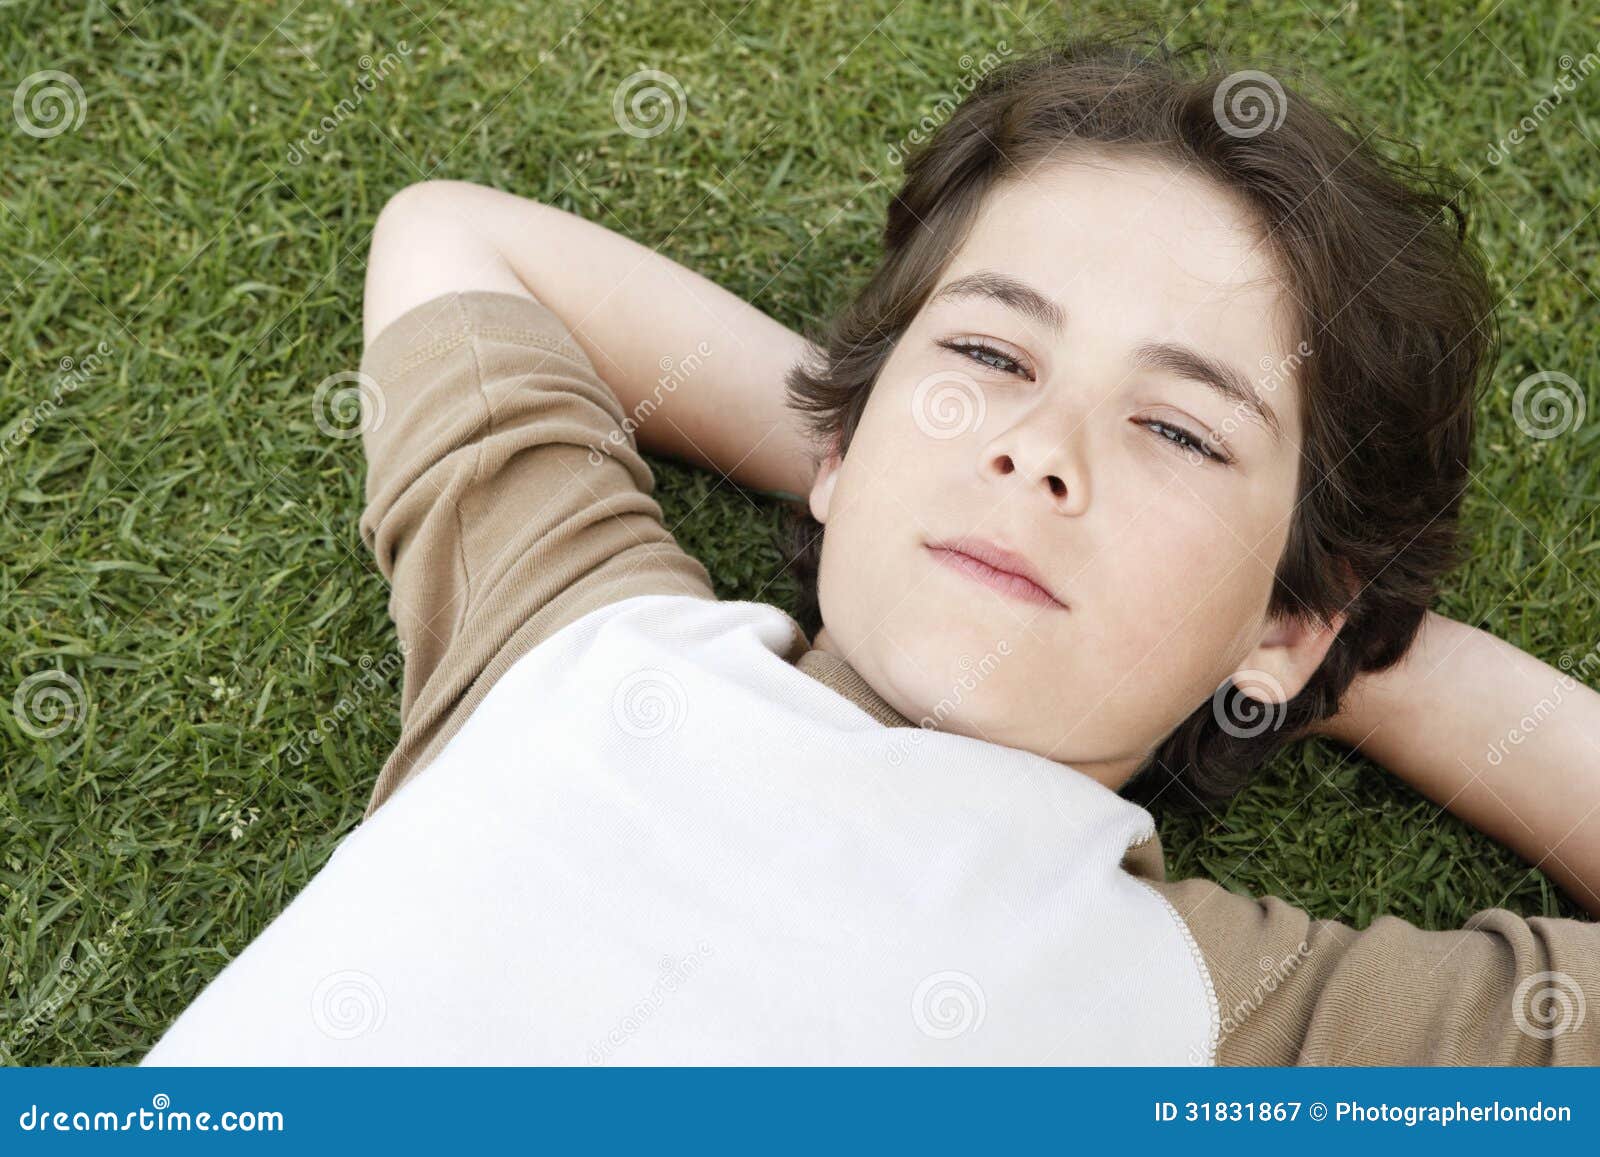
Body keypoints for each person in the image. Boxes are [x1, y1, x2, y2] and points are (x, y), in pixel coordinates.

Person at [142, 36, 1599, 1065]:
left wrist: (1347, 649)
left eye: (1180, 432)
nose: (1035, 449)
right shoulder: (572, 638)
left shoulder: (1246, 1022)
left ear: (1291, 622)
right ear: (843, 433)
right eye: (983, 353)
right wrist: (874, 450)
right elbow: (461, 242)